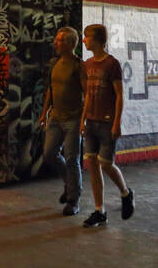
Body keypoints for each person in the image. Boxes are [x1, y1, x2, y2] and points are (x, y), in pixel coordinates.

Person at [79, 24, 134, 227]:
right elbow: (87, 95)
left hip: (107, 122)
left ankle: (125, 192)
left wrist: (116, 122)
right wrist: (83, 119)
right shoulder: (87, 64)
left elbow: (119, 95)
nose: (84, 40)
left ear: (97, 39)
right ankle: (99, 210)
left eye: (87, 37)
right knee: (92, 164)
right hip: (91, 121)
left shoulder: (112, 64)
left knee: (106, 163)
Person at [40, 26, 85, 215]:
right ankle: (70, 184)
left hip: (73, 120)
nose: (56, 43)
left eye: (60, 40)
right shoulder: (55, 64)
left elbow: (87, 93)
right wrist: (44, 113)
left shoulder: (78, 66)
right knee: (49, 154)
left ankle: (73, 200)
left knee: (72, 158)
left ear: (70, 43)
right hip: (56, 118)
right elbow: (51, 90)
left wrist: (83, 120)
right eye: (56, 40)